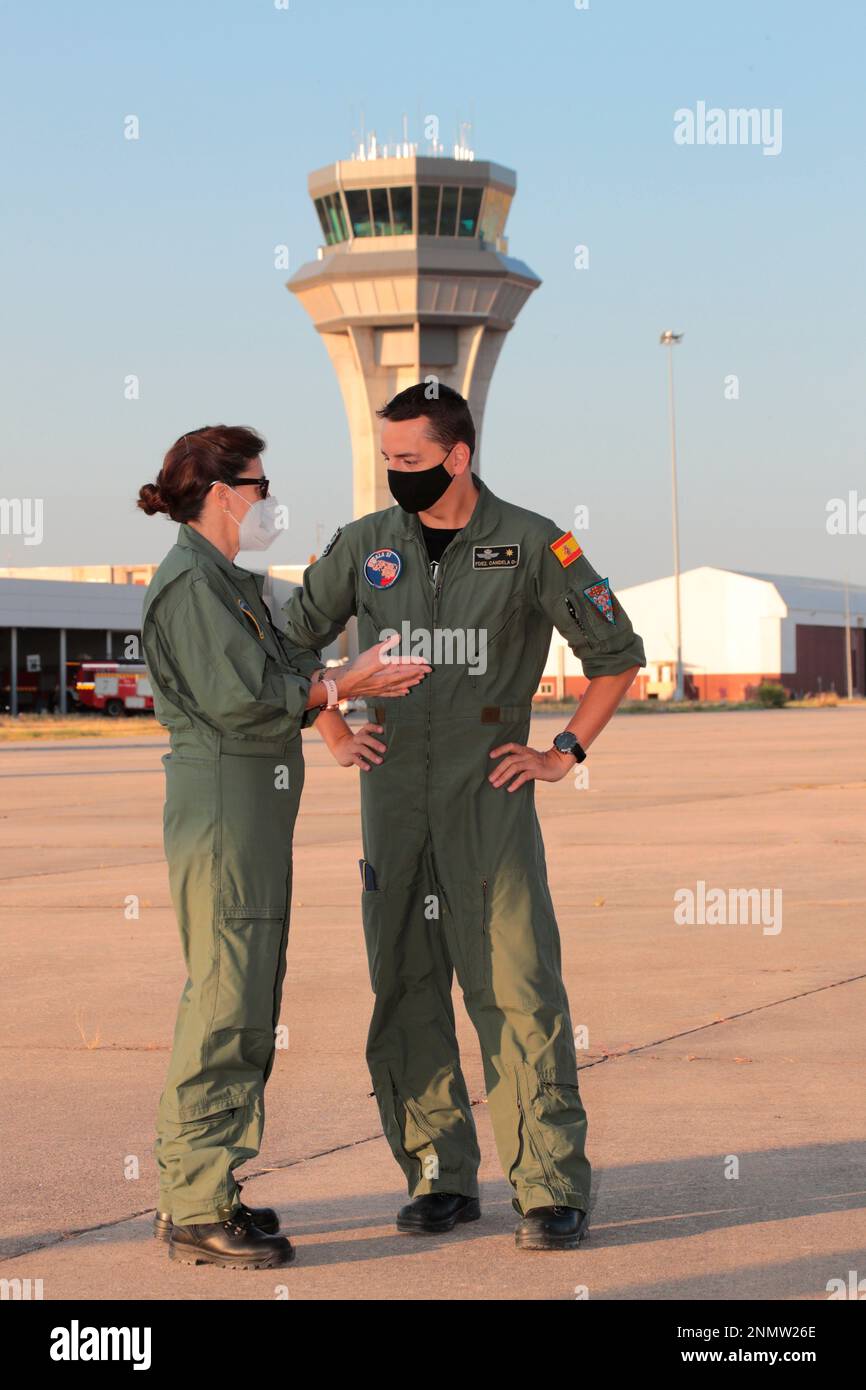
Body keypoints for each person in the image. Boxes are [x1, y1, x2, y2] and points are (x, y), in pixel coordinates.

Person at [282, 384, 646, 1250]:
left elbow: (616, 652)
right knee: (405, 987)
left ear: (457, 456)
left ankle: (551, 1187)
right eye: (386, 460)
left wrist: (564, 753)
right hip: (393, 788)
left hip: (492, 790)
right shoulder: (366, 545)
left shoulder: (531, 542)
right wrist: (332, 726)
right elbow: (287, 638)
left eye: (408, 460)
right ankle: (439, 1176)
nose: (394, 474)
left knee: (517, 989)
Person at [138, 424, 429, 1270]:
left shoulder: (229, 581)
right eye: (260, 485)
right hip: (225, 804)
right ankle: (193, 1203)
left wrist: (334, 717)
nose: (269, 500)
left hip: (250, 806)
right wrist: (348, 682)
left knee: (247, 989)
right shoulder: (193, 584)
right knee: (228, 996)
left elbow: (283, 667)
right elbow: (242, 698)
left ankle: (207, 1188)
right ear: (225, 493)